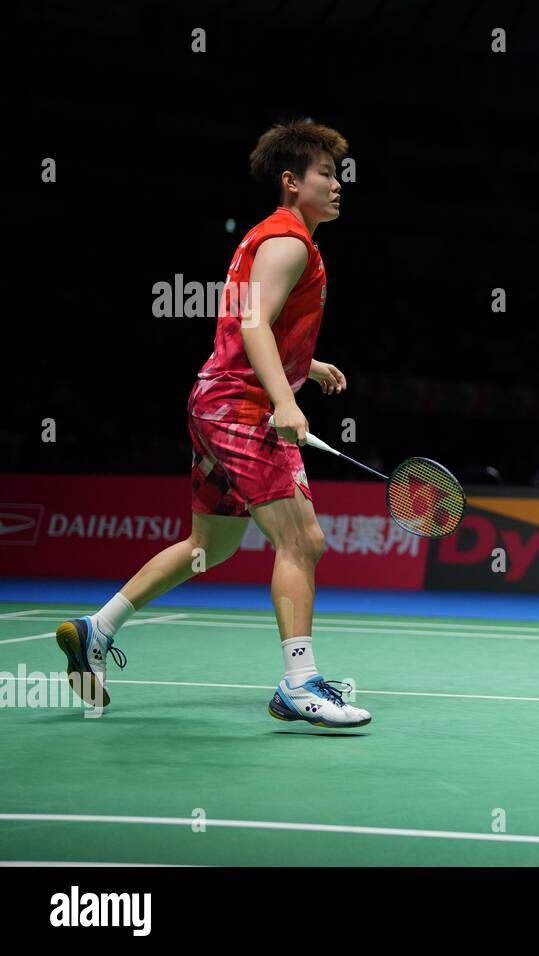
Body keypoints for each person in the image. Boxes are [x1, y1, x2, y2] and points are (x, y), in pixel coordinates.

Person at [55, 120, 371, 728]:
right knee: (302, 541)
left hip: (213, 400)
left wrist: (307, 365)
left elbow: (251, 323)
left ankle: (98, 628)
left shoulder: (269, 238)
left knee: (210, 547)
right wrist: (284, 400)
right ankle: (300, 685)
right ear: (290, 182)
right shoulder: (289, 241)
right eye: (326, 175)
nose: (338, 186)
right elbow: (253, 327)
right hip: (243, 408)